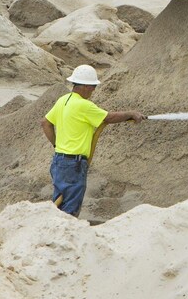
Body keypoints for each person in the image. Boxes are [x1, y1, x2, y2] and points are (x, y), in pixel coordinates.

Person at [42, 64, 144, 217]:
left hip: (59, 161)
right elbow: (108, 118)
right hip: (73, 165)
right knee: (70, 209)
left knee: (60, 202)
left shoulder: (63, 100)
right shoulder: (84, 105)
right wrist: (131, 113)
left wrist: (56, 144)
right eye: (92, 86)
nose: (93, 90)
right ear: (83, 86)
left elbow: (45, 123)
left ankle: (52, 228)